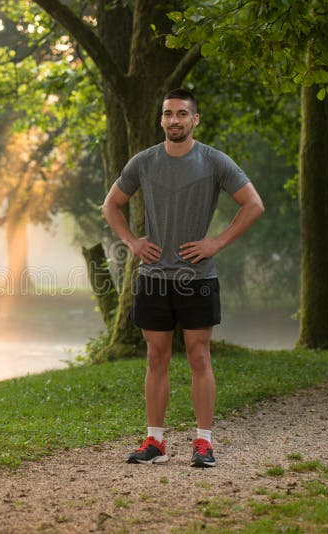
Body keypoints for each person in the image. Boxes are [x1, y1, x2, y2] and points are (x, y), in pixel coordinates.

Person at [102, 88, 264, 468]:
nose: (174, 120)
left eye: (182, 114)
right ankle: (154, 442)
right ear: (161, 119)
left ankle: (203, 442)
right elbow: (111, 204)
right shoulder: (144, 162)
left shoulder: (214, 161)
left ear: (195, 120)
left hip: (198, 277)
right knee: (156, 358)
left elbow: (253, 204)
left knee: (199, 356)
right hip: (154, 277)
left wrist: (216, 243)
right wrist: (131, 242)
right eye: (168, 113)